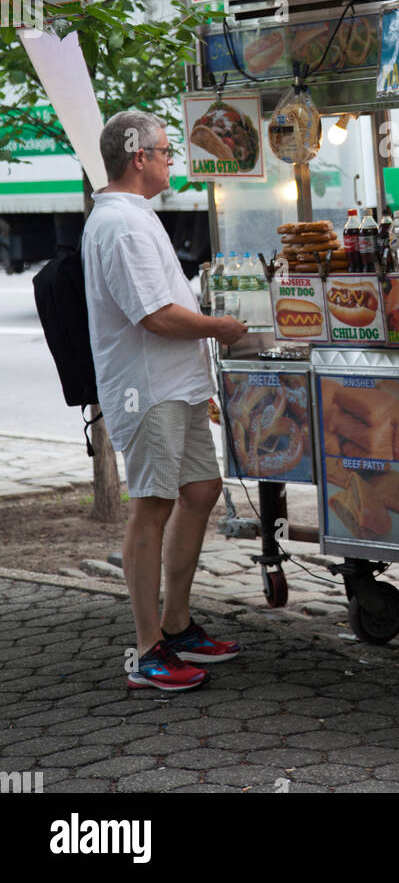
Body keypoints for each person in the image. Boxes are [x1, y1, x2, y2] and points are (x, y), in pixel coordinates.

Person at [82, 109, 248, 691]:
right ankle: (149, 648)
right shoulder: (121, 225)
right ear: (139, 158)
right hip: (146, 389)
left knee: (201, 490)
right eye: (167, 151)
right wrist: (217, 327)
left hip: (175, 385)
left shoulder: (134, 215)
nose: (172, 159)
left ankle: (177, 625)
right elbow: (154, 316)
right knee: (151, 505)